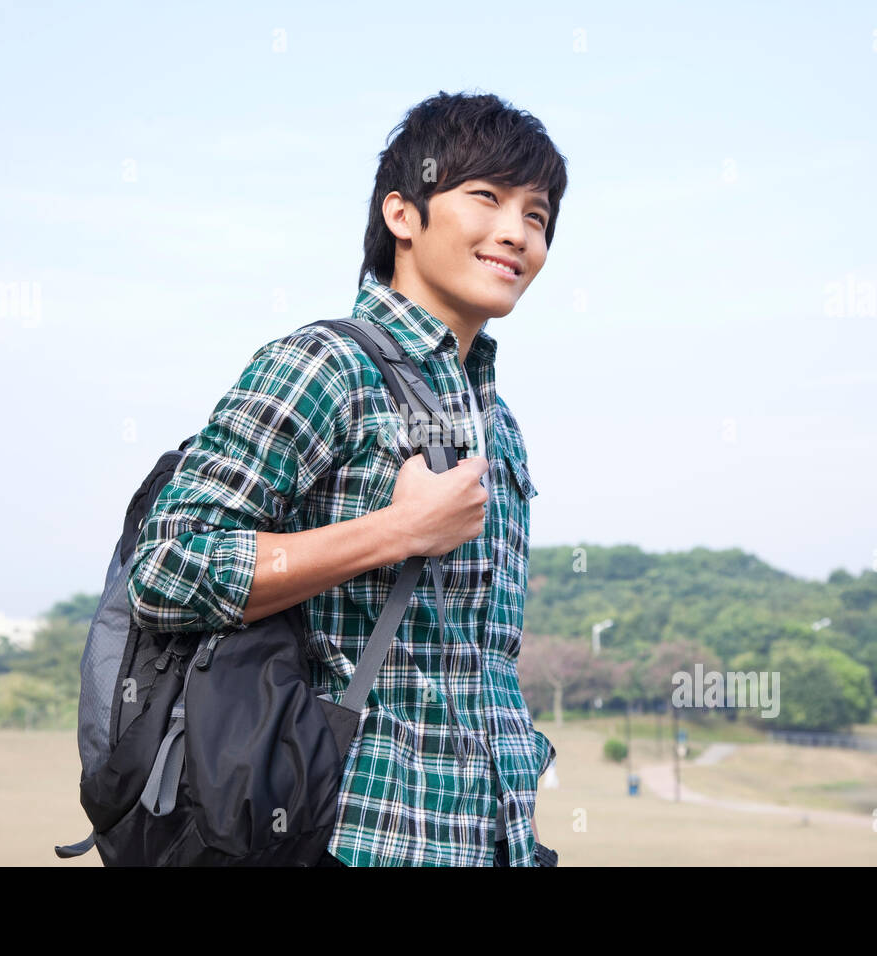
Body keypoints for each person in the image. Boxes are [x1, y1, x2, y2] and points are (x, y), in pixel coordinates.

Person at [128, 90, 568, 866]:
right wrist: (397, 532)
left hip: (491, 840)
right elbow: (167, 569)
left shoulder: (497, 423)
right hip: (354, 838)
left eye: (537, 215)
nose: (517, 232)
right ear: (403, 214)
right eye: (486, 197)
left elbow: (477, 664)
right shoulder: (324, 366)